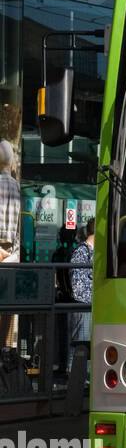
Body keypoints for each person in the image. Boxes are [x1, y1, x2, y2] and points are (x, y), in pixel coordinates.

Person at [0, 139, 21, 352]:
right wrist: (13, 253)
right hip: (10, 255)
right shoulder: (15, 186)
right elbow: (17, 229)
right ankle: (5, 352)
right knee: (8, 309)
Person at [67, 217, 94, 375]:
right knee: (79, 345)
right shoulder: (82, 251)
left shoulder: (87, 251)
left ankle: (80, 378)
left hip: (86, 304)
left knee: (83, 345)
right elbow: (78, 286)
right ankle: (76, 380)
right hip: (83, 305)